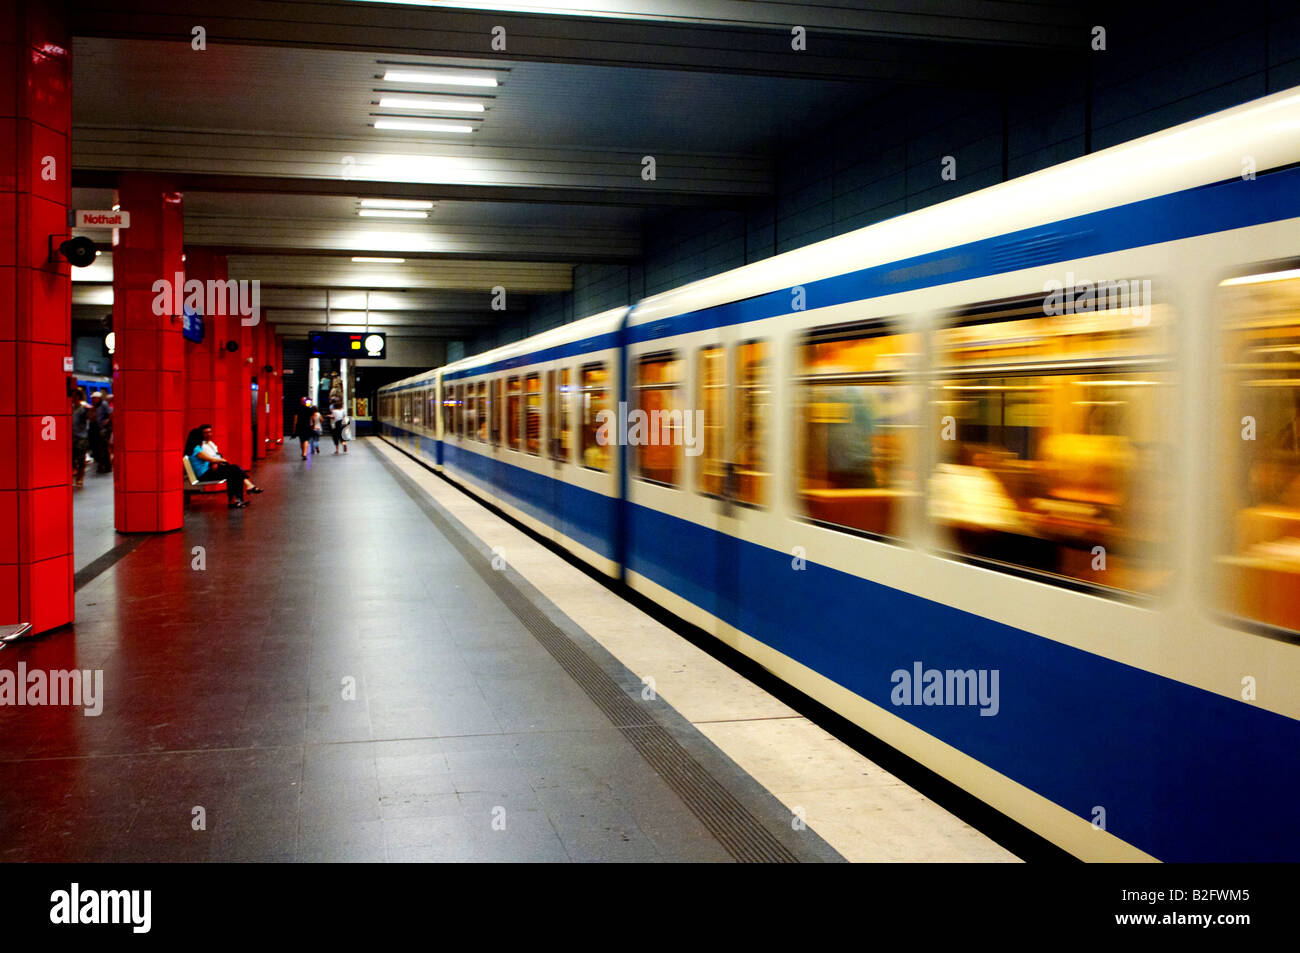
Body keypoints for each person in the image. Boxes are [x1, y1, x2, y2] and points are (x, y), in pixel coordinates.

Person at [186, 424, 262, 507]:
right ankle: (238, 498)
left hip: (207, 472)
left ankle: (236, 499)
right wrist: (222, 460)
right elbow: (211, 459)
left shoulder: (195, 448)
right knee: (234, 471)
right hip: (205, 474)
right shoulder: (197, 449)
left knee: (234, 471)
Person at [71, 388, 91, 488]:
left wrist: (90, 409)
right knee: (72, 459)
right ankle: (76, 474)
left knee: (80, 459)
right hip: (72, 437)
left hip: (81, 437)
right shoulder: (70, 407)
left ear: (79, 397)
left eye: (75, 395)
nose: (73, 397)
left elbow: (91, 417)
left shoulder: (84, 408)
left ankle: (80, 477)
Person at [94, 393, 113, 472]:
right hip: (98, 429)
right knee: (100, 448)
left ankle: (107, 466)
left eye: (95, 398)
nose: (93, 400)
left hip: (104, 430)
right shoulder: (95, 406)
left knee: (104, 448)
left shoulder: (104, 404)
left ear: (99, 398)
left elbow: (111, 413)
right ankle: (102, 465)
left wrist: (107, 420)